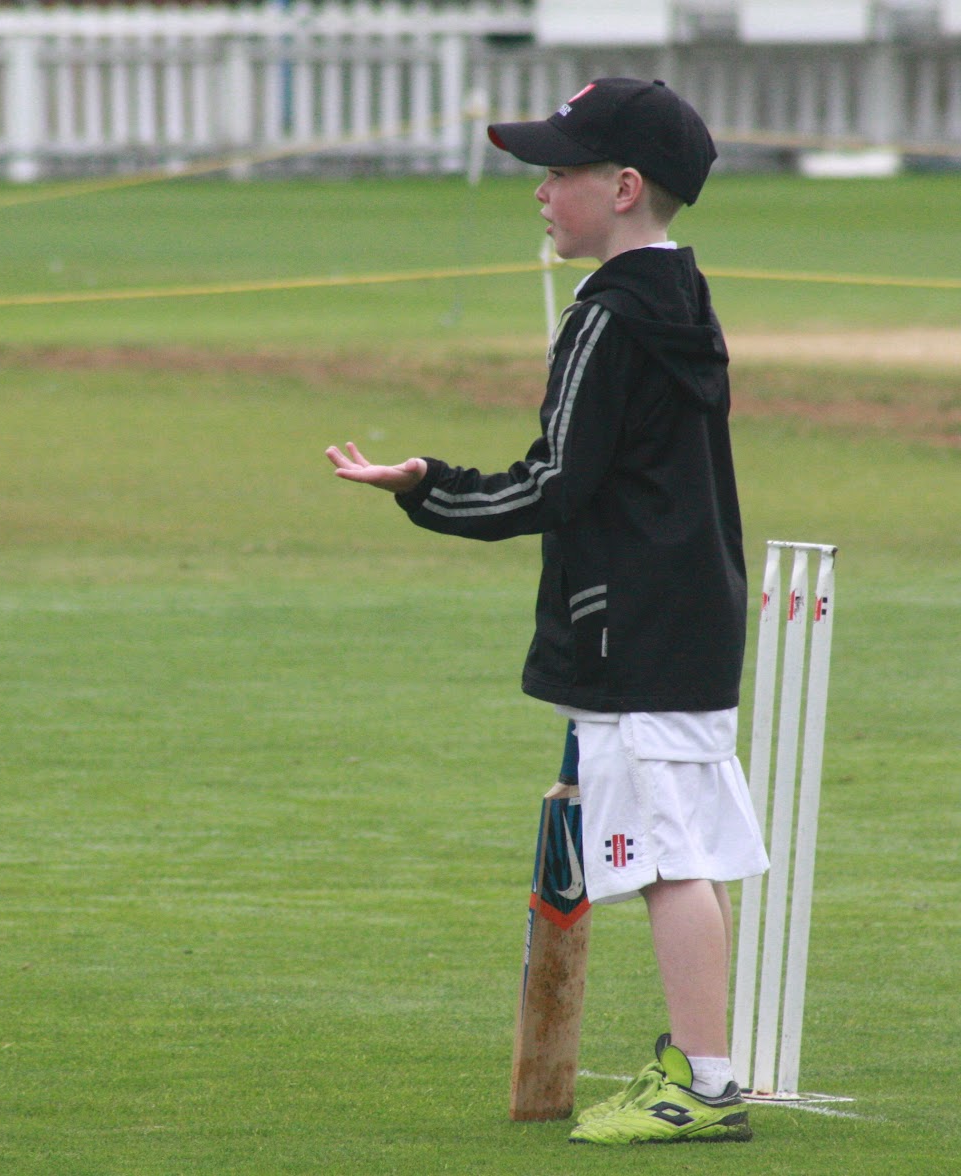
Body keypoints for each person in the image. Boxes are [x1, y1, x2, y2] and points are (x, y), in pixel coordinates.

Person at [325, 78, 765, 1145]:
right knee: (679, 852)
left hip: (639, 626)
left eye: (558, 173)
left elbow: (558, 479)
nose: (541, 192)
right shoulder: (680, 294)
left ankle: (707, 1087)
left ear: (620, 189)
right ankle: (699, 1067)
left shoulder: (610, 314)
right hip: (683, 611)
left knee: (666, 860)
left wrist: (427, 486)